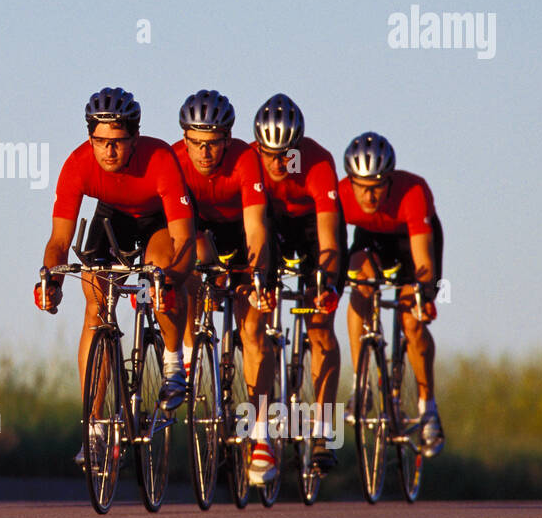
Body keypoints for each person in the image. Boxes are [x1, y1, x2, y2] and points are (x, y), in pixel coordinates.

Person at [36, 87, 195, 467]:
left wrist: (169, 280)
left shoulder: (160, 159)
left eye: (118, 142)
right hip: (114, 219)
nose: (109, 151)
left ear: (135, 138)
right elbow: (60, 240)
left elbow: (184, 239)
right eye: (100, 141)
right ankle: (94, 428)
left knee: (160, 274)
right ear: (90, 137)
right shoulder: (77, 164)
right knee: (95, 302)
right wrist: (51, 282)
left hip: (159, 220)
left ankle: (173, 364)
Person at [170, 90, 275, 484]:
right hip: (200, 234)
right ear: (184, 139)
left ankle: (262, 434)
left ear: (227, 140)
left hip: (240, 236)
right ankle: (188, 352)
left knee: (252, 331)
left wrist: (257, 275)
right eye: (196, 143)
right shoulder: (175, 162)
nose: (204, 153)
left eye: (213, 144)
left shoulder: (246, 159)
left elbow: (256, 228)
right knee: (190, 259)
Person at [251, 93, 346, 472]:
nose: (276, 162)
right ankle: (257, 427)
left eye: (285, 153)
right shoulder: (249, 161)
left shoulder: (318, 160)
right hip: (270, 226)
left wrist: (327, 285)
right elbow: (253, 227)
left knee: (320, 326)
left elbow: (328, 235)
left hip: (311, 231)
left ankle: (323, 431)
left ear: (298, 146)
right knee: (257, 313)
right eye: (268, 153)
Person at [339, 132, 445, 455]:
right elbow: (330, 246)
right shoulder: (341, 195)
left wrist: (423, 296)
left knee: (412, 322)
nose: (369, 196)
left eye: (378, 187)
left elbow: (423, 260)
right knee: (360, 284)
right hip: (371, 240)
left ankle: (428, 408)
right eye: (362, 187)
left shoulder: (412, 191)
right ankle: (363, 385)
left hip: (411, 242)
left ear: (390, 181)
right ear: (350, 182)